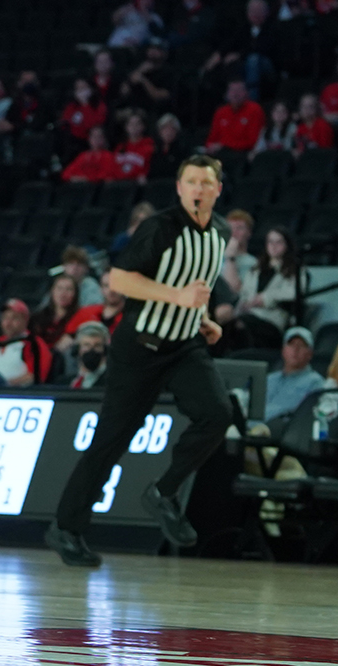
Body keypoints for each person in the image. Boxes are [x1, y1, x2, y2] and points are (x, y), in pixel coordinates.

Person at [48, 156, 231, 567]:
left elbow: (195, 282)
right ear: (179, 188)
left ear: (218, 189)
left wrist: (202, 318)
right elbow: (121, 280)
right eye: (190, 181)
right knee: (112, 438)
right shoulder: (160, 227)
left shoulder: (221, 231)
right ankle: (66, 528)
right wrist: (179, 299)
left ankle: (163, 492)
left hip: (184, 345)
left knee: (218, 414)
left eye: (206, 182)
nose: (198, 189)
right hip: (139, 348)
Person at [264, 327, 327, 420]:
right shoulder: (269, 379)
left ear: (310, 354)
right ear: (283, 350)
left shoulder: (315, 382)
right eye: (291, 344)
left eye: (301, 345)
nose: (295, 349)